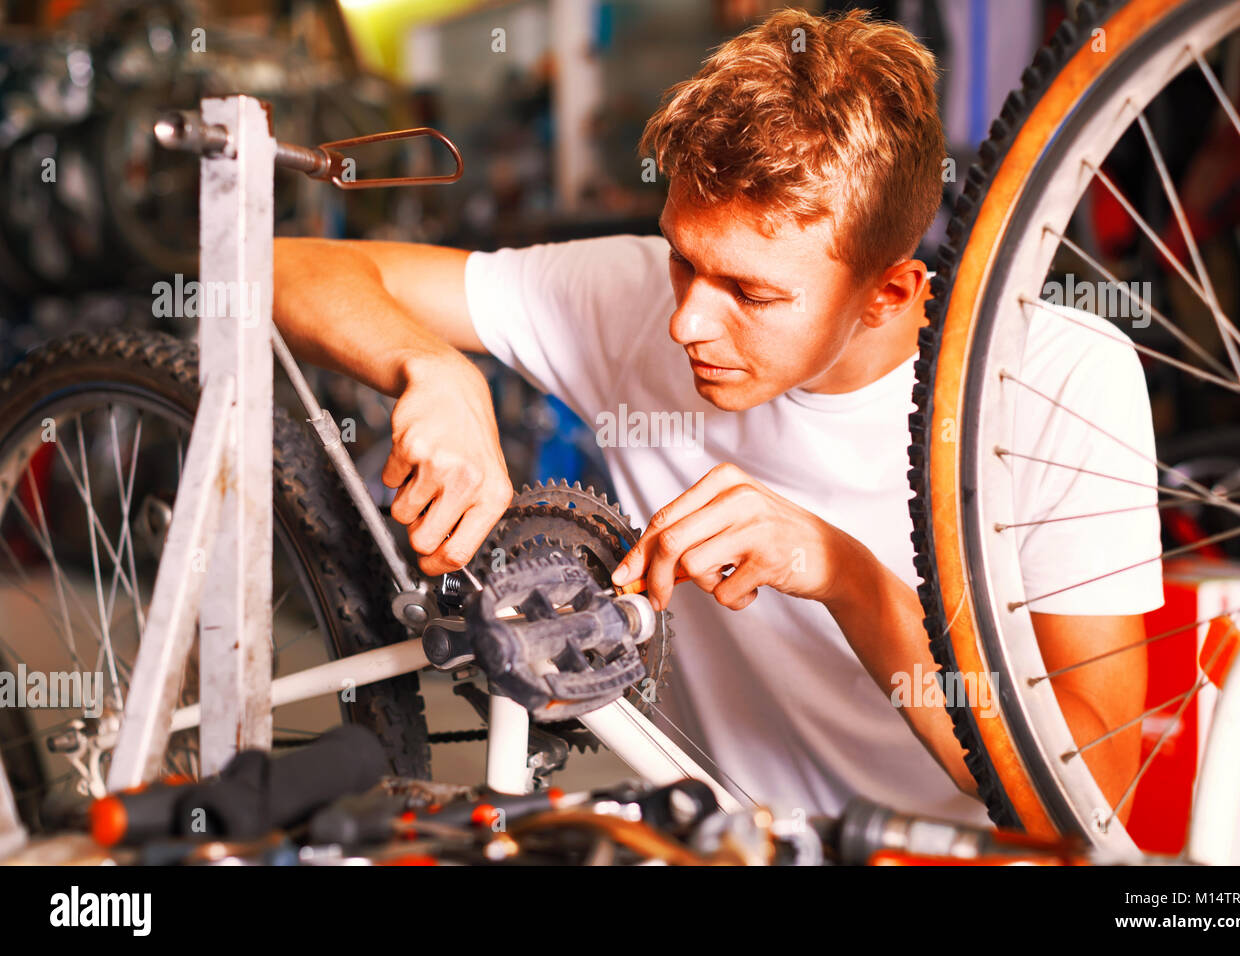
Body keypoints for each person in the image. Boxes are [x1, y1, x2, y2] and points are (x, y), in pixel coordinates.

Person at [272, 8, 1162, 826]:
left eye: (751, 292)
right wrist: (432, 366)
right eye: (684, 259)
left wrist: (843, 574)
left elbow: (1093, 781)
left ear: (891, 292)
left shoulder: (1056, 379)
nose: (687, 321)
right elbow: (278, 265)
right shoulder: (627, 298)